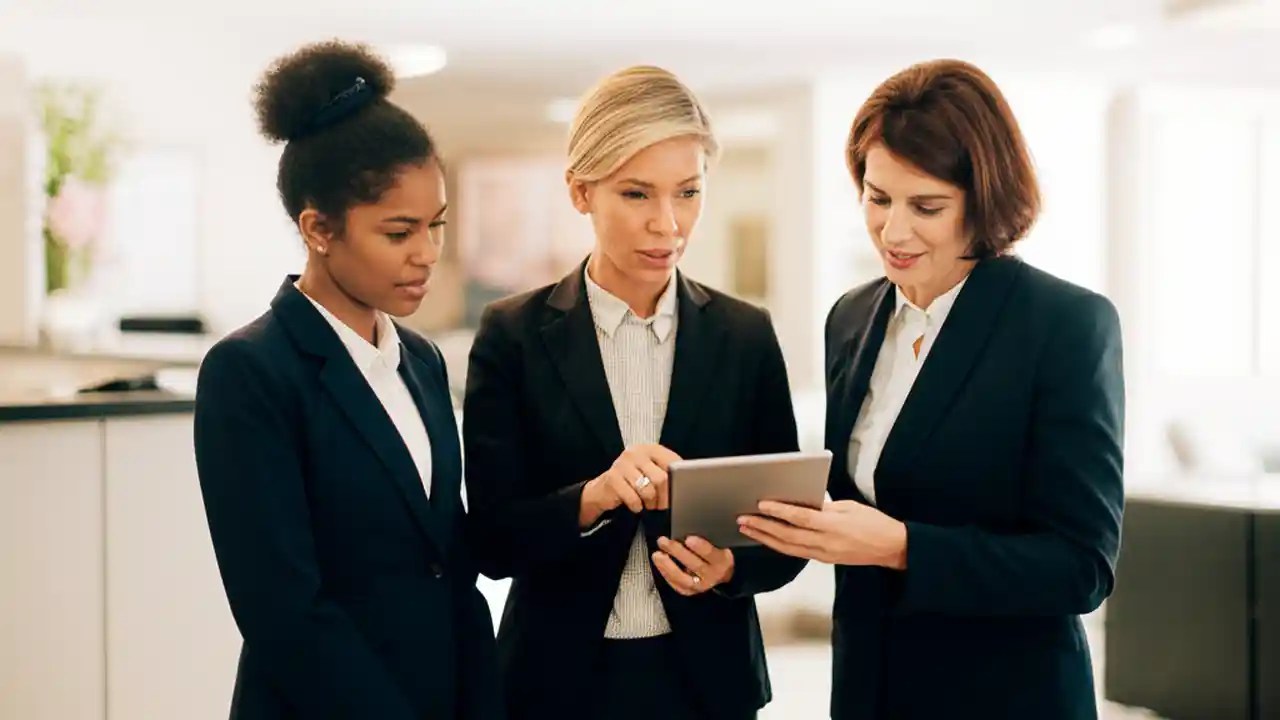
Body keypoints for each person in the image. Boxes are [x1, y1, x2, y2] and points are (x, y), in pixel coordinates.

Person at [738, 59, 1125, 720]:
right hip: (871, 688)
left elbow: (1079, 567)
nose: (892, 231)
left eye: (927, 206)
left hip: (1005, 696)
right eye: (877, 196)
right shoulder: (852, 318)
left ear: (985, 199)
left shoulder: (1064, 325)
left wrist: (900, 546)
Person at [461, 65, 807, 720]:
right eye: (637, 194)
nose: (667, 224)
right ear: (580, 192)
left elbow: (784, 533)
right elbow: (493, 540)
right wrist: (592, 497)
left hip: (708, 679)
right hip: (557, 681)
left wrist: (729, 570)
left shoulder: (745, 335)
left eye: (688, 193)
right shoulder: (513, 335)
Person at [193, 40, 502, 720]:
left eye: (436, 226)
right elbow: (284, 613)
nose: (427, 254)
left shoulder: (421, 360)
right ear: (318, 228)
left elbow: (448, 564)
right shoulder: (250, 373)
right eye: (398, 232)